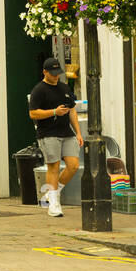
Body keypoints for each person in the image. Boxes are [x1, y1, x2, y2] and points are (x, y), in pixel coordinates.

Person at [29, 57, 82, 217]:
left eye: (57, 73)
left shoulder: (65, 88)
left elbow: (72, 110)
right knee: (54, 165)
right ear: (45, 72)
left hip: (67, 133)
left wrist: (78, 132)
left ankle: (53, 192)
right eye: (52, 73)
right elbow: (33, 113)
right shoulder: (39, 90)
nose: (55, 76)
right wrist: (53, 112)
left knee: (73, 165)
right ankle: (53, 204)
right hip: (48, 133)